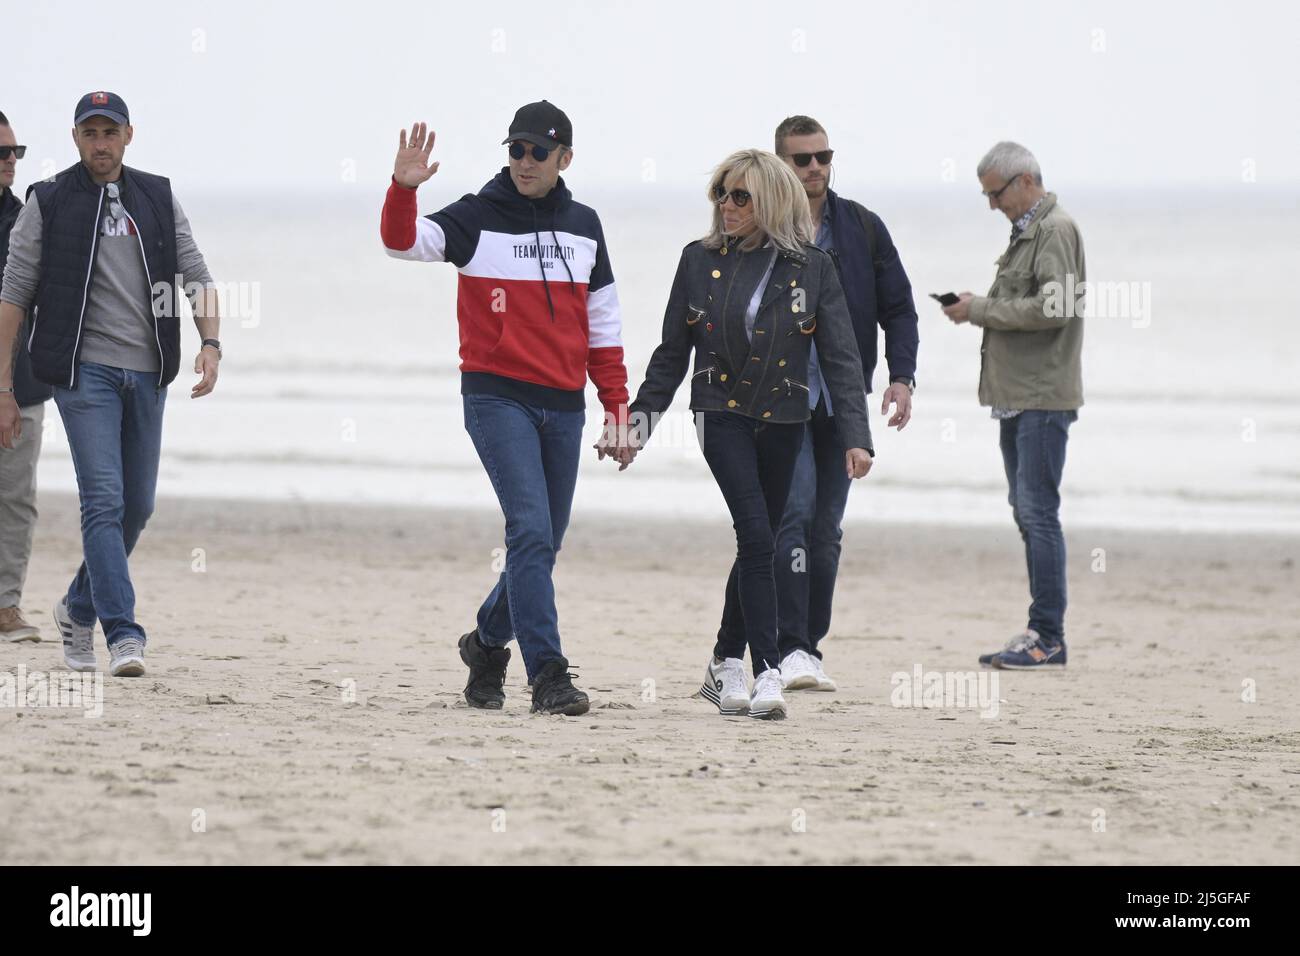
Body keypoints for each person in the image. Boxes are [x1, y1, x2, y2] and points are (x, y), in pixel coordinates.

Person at [380, 101, 630, 716]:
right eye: (515, 150)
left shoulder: (585, 224)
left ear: (564, 158)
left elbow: (604, 324)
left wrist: (617, 406)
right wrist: (401, 190)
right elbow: (402, 242)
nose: (523, 161)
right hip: (496, 397)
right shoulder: (477, 215)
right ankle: (547, 674)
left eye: (537, 152)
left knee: (542, 544)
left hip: (563, 406)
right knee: (529, 531)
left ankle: (486, 645)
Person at [625, 149, 873, 720]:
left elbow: (840, 358)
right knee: (758, 533)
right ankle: (766, 670)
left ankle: (722, 662)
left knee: (755, 541)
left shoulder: (812, 267)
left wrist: (856, 436)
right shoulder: (697, 260)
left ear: (772, 202)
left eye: (741, 196)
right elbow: (670, 356)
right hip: (719, 413)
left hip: (786, 417)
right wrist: (637, 424)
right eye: (721, 193)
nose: (727, 206)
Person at [0, 91, 222, 677]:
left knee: (137, 507)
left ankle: (76, 609)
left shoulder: (157, 195)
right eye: (90, 132)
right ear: (76, 138)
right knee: (103, 499)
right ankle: (123, 632)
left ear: (128, 136)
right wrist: (2, 387)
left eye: (110, 132)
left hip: (148, 371)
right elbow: (15, 293)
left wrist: (211, 342)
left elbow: (194, 271)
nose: (101, 143)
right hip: (83, 373)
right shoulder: (48, 200)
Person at [771, 115, 919, 692]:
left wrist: (902, 377)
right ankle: (789, 648)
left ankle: (810, 646)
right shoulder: (761, 223)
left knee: (826, 528)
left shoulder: (861, 227)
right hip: (779, 399)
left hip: (843, 398)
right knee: (794, 517)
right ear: (780, 162)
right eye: (802, 159)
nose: (814, 169)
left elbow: (899, 307)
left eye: (823, 158)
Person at [940, 141, 1085, 670]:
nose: (992, 204)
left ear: (1025, 181)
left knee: (1038, 514)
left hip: (1041, 397)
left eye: (995, 193)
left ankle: (1048, 636)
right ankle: (1042, 632)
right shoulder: (1031, 231)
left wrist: (979, 309)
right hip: (1018, 396)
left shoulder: (1053, 229)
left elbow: (1058, 307)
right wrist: (979, 305)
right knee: (1028, 514)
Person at [0, 109, 52, 644]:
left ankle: (5, 607)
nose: (11, 161)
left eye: (16, 152)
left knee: (15, 497)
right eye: (1, 153)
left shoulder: (27, 220)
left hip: (22, 384)